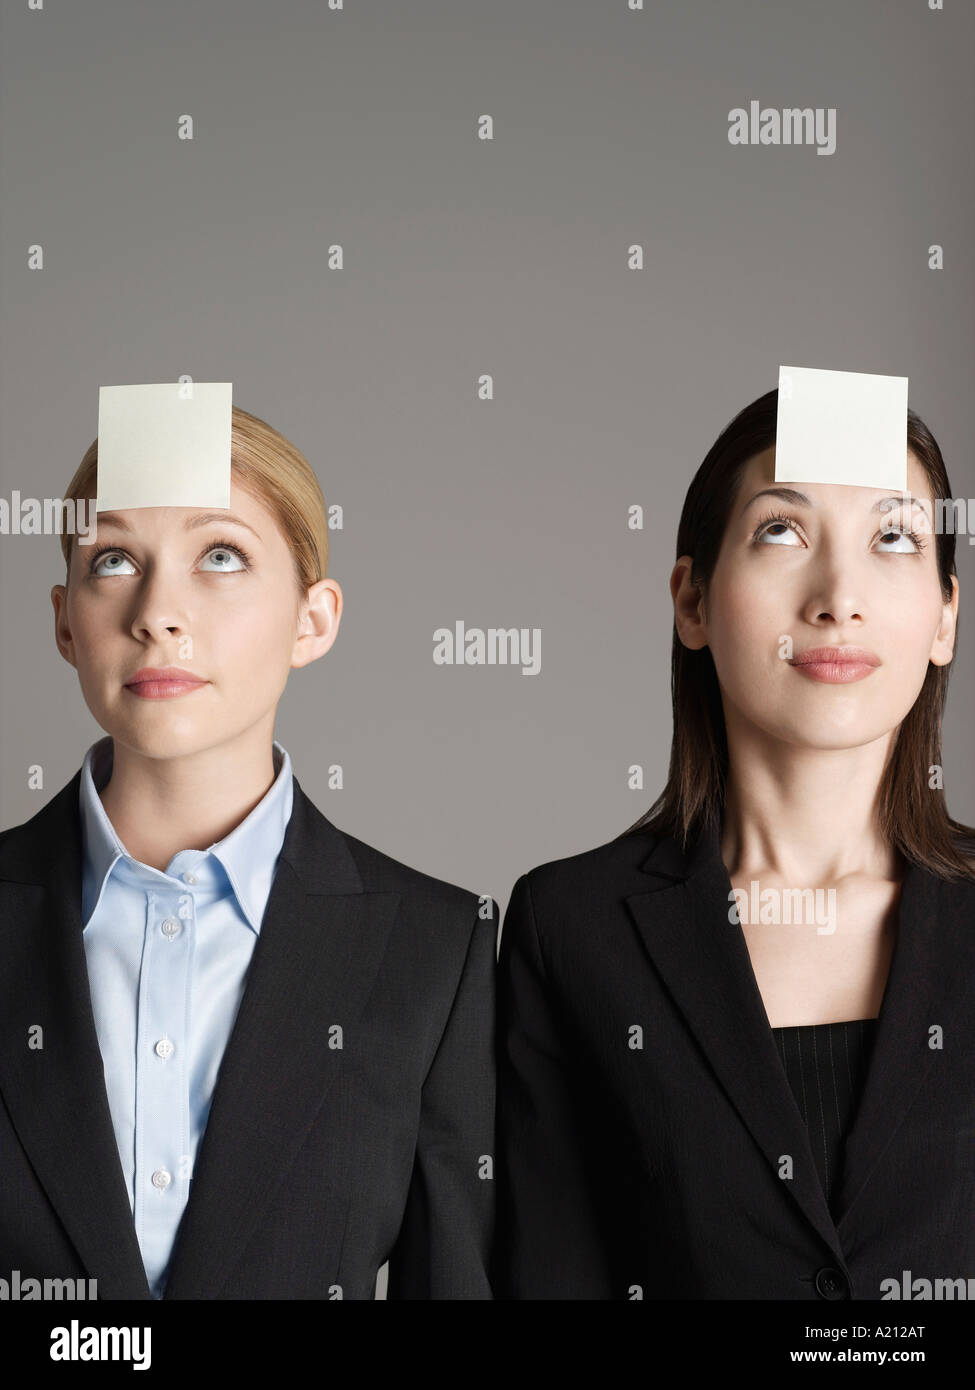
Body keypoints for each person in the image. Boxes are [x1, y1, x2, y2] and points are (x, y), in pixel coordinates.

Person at [0, 404, 495, 1300]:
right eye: (113, 561)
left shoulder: (435, 948)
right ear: (67, 621)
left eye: (220, 556)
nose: (158, 614)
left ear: (314, 619)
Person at [495, 387, 975, 1300]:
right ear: (691, 600)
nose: (839, 599)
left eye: (894, 538)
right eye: (783, 532)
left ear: (944, 617)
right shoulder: (572, 929)